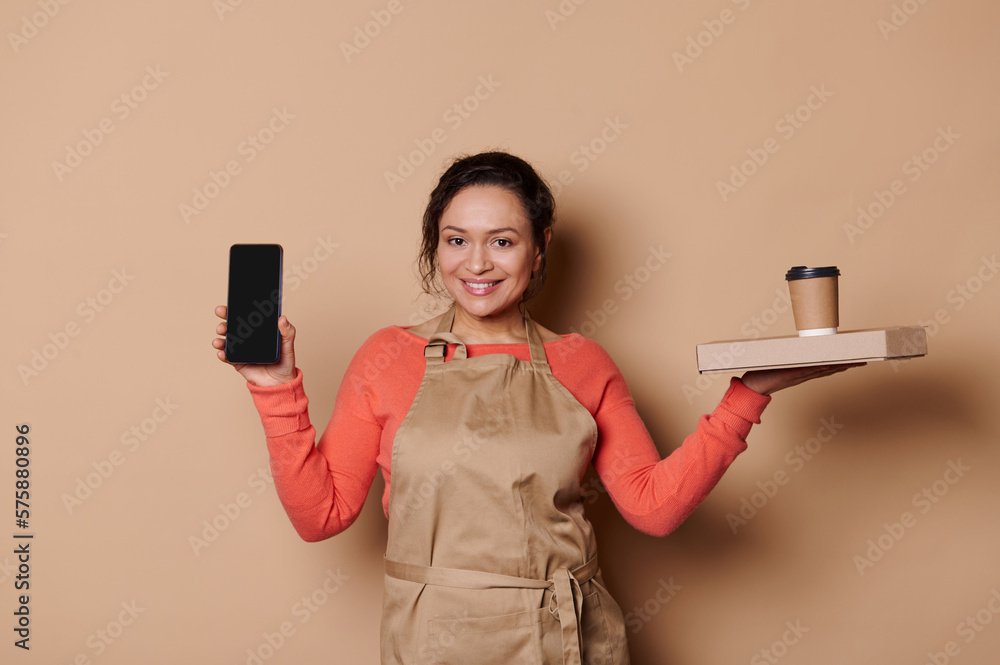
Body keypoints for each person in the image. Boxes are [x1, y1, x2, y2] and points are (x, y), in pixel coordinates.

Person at [211, 151, 858, 665]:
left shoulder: (584, 362)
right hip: (434, 639)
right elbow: (321, 515)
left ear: (539, 246)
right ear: (435, 247)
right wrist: (274, 385)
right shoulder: (388, 357)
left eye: (502, 241)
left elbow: (654, 508)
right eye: (457, 239)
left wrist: (748, 394)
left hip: (566, 637)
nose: (477, 263)